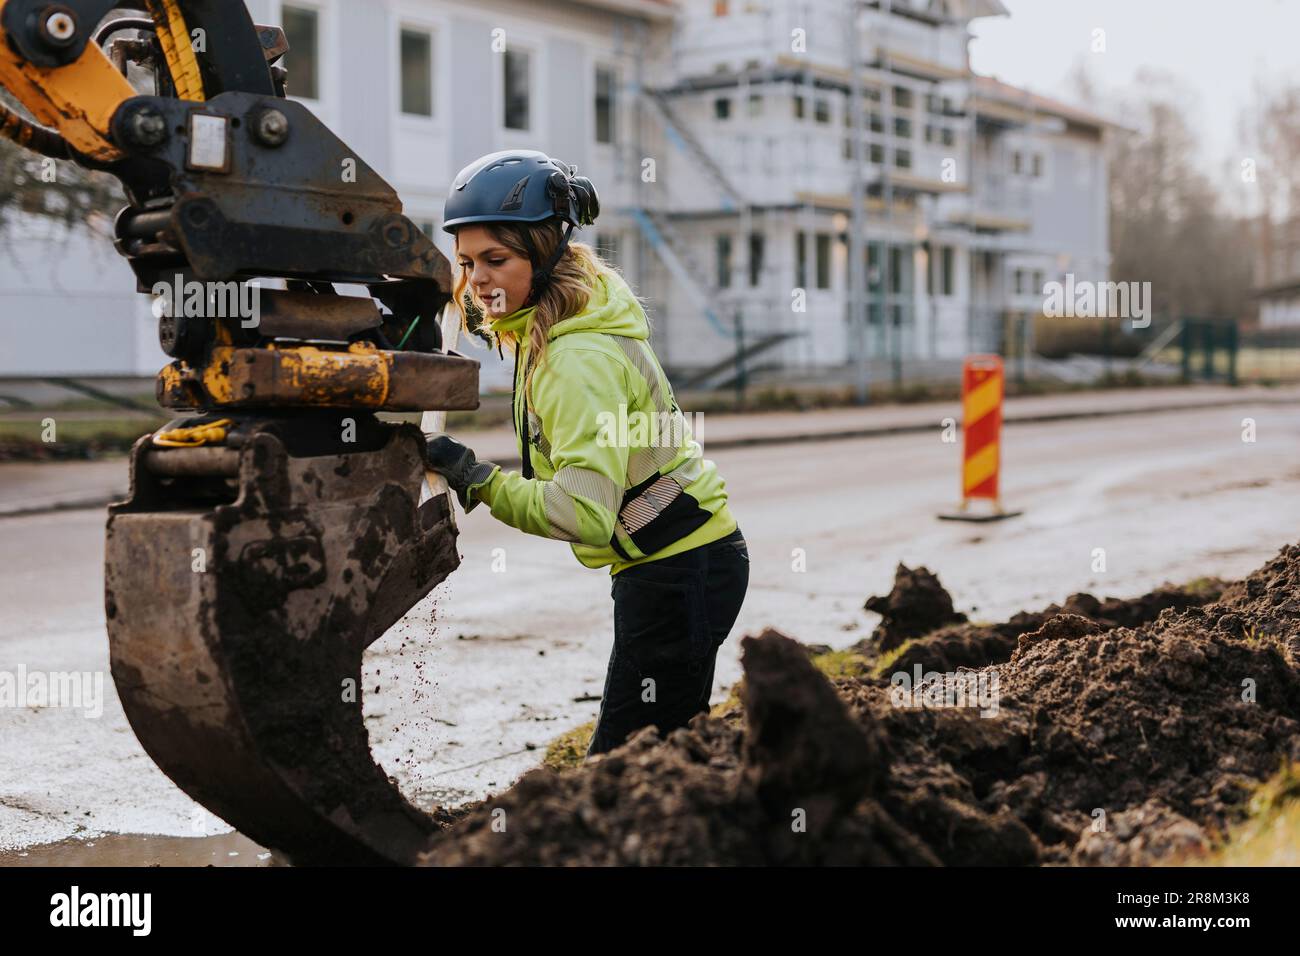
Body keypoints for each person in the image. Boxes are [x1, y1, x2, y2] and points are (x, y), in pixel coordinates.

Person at [423, 149, 749, 757]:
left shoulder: (575, 361)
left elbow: (581, 513)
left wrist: (479, 481)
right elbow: (465, 306)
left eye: (496, 259)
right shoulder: (562, 317)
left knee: (623, 766)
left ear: (545, 254)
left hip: (680, 571)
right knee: (663, 751)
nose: (478, 280)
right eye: (466, 263)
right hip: (680, 560)